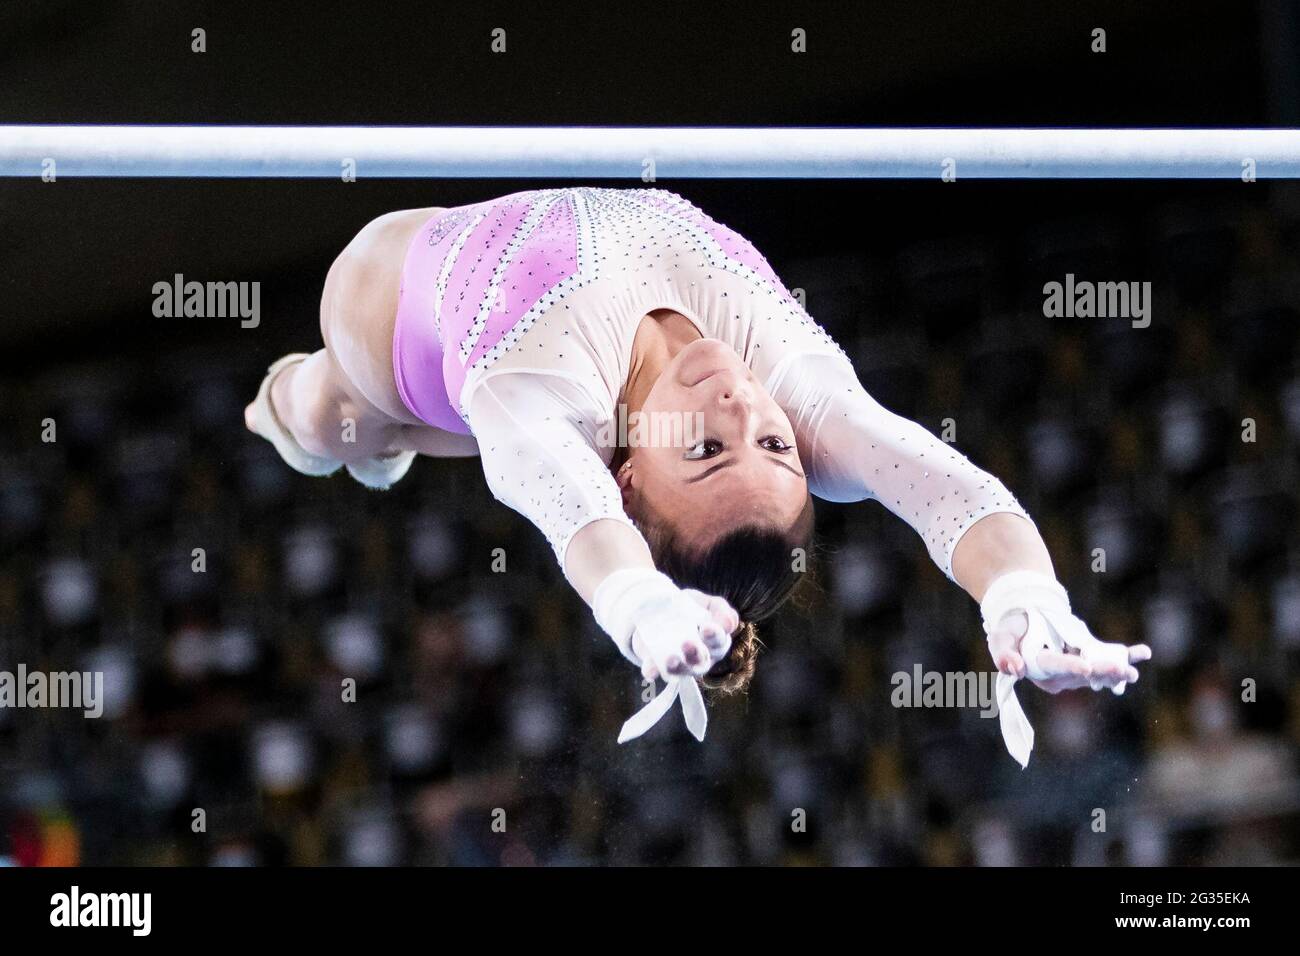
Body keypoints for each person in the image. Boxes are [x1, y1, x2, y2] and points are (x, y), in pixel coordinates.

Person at [245, 186, 1150, 760]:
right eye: (774, 446)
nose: (745, 413)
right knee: (498, 433)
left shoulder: (545, 384)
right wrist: (1025, 596)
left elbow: (580, 524)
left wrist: (637, 607)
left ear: (628, 482)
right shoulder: (799, 396)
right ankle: (413, 438)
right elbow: (951, 492)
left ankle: (335, 426)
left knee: (325, 421)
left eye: (707, 451)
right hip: (535, 404)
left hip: (394, 322)